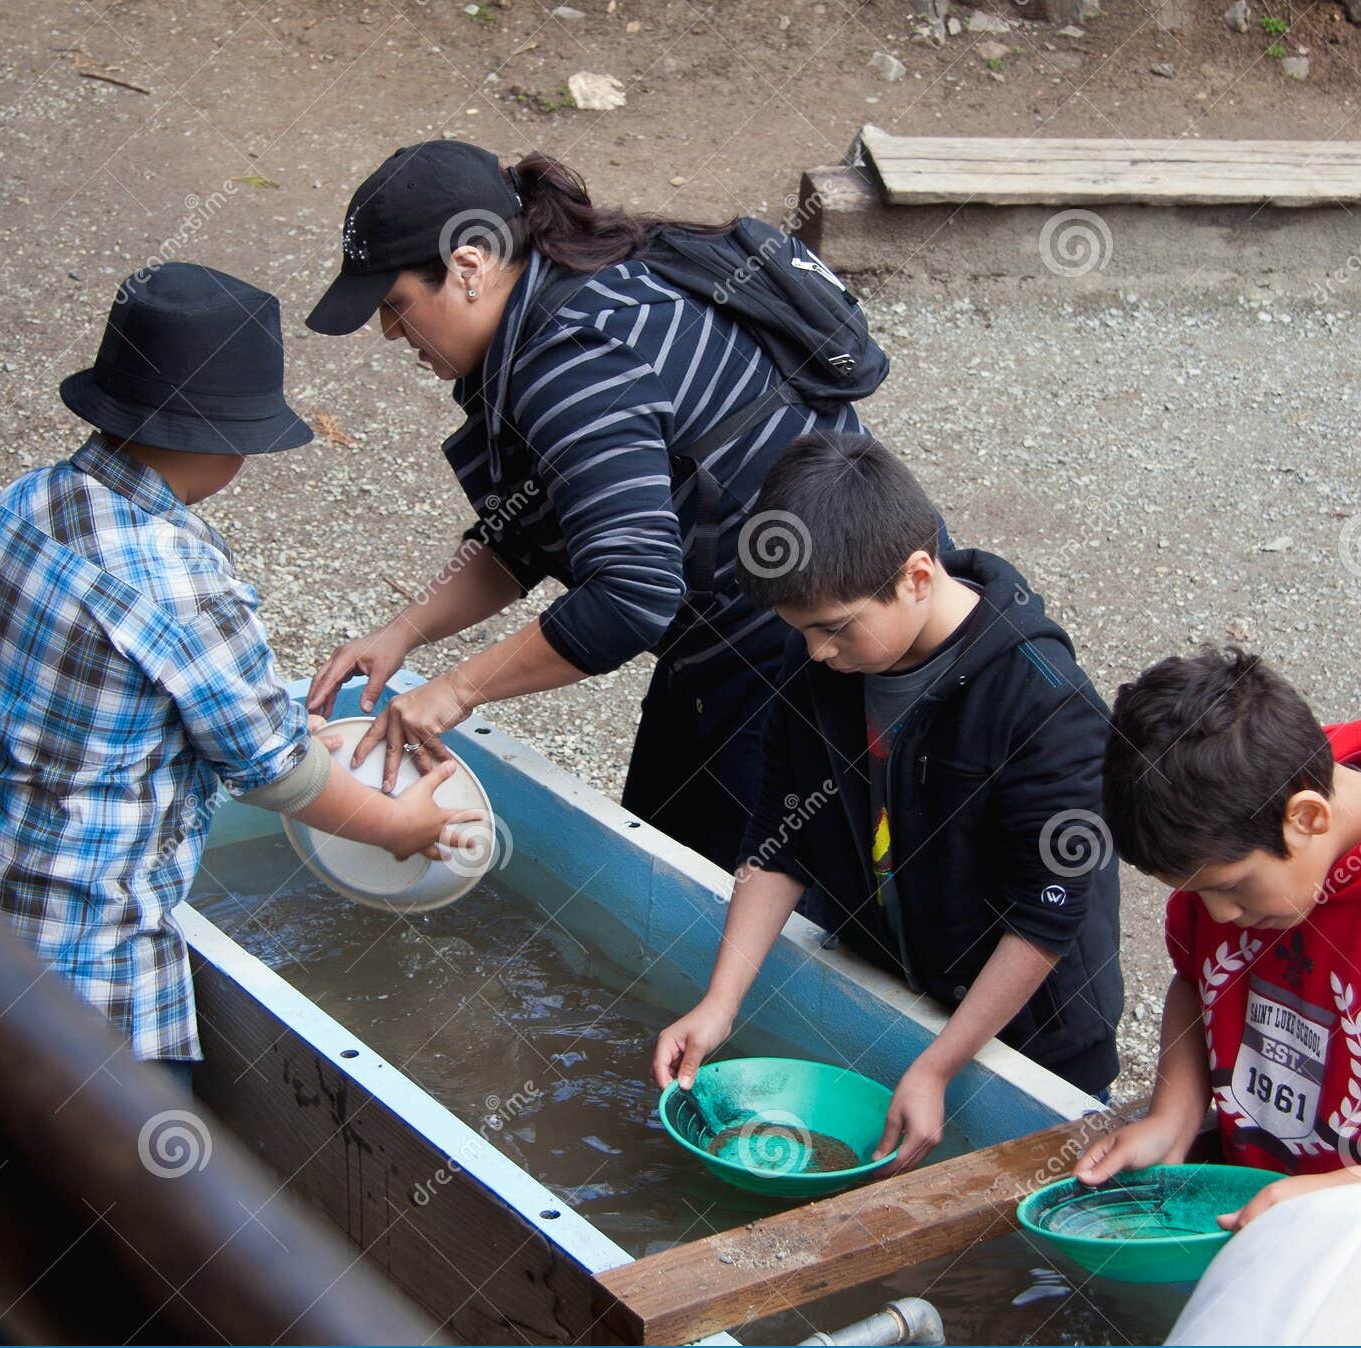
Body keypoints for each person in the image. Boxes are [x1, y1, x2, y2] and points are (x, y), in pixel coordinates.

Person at [0, 262, 480, 1083]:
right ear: (227, 441)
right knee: (135, 1188)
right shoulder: (180, 577)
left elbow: (86, 707)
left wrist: (297, 732)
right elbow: (277, 774)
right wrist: (394, 827)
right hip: (85, 970)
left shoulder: (21, 505)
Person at [303, 140, 912, 871]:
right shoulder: (582, 277)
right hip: (724, 630)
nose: (391, 333)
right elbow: (529, 534)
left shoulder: (571, 361)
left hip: (807, 645)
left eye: (396, 305)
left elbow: (630, 596)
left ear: (468, 266)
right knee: (657, 853)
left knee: (736, 897)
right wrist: (404, 632)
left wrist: (456, 691)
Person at [653, 433, 1123, 1171]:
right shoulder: (818, 660)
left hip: (1032, 1032)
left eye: (833, 629)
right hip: (893, 985)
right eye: (801, 631)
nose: (814, 653)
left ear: (915, 576)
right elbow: (778, 834)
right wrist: (720, 1002)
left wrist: (941, 1066)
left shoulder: (1045, 705)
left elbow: (1047, 916)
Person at [1078, 648, 1361, 1229]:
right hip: (1267, 1215)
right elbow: (1194, 981)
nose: (1219, 914)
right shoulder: (1238, 816)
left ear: (1308, 818)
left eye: (1232, 887)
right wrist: (1176, 1109)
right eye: (1195, 894)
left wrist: (1339, 1193)